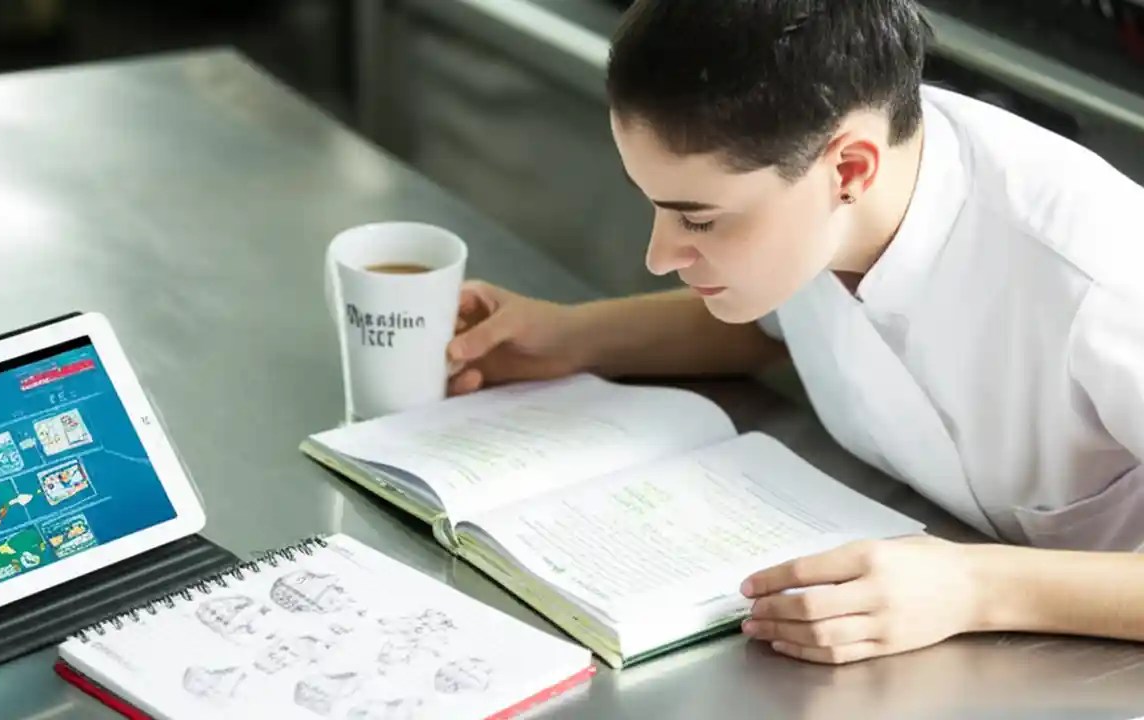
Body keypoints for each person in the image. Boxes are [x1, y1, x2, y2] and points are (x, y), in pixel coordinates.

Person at [445, 0, 1144, 665]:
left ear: (849, 168)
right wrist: (573, 338)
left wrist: (972, 587)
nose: (658, 257)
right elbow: (776, 327)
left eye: (699, 219)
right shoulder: (819, 196)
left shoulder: (1095, 271)